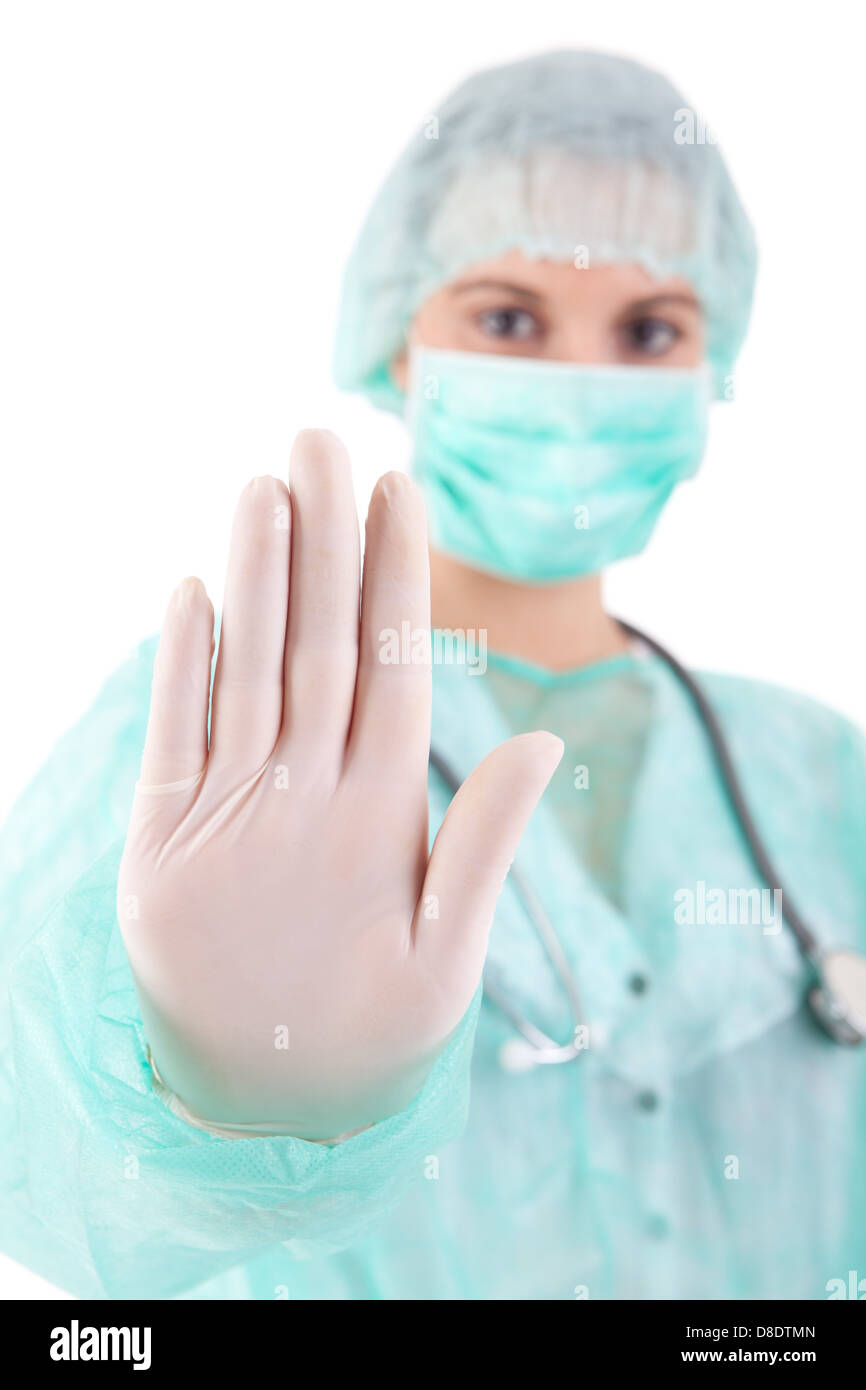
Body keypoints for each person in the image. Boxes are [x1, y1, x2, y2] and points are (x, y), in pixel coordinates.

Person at [2, 49, 865, 1301]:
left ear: (707, 368)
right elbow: (48, 1196)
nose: (580, 380)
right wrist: (233, 1105)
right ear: (394, 340)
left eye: (649, 328)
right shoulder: (210, 737)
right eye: (507, 317)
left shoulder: (820, 771)